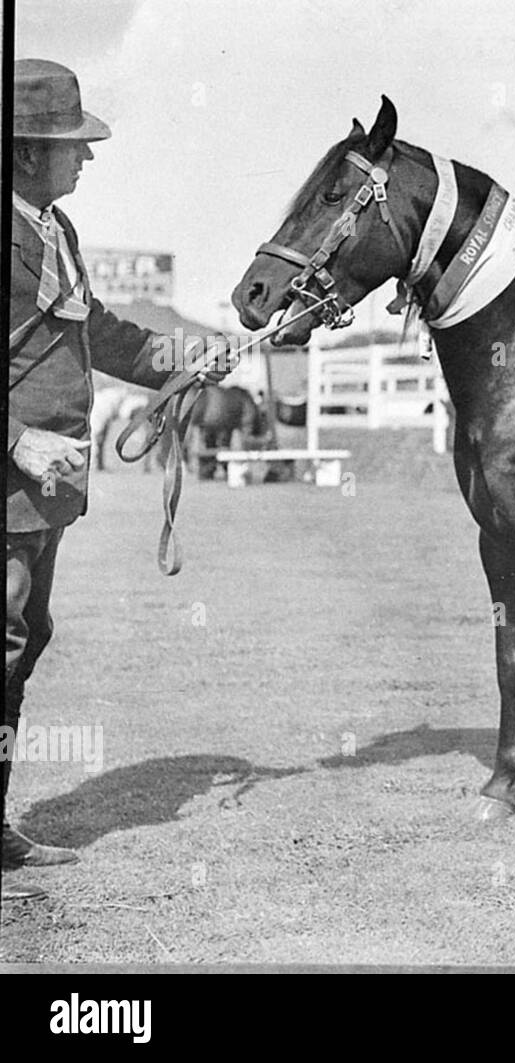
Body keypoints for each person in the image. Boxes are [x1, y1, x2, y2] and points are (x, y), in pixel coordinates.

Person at [5, 59, 235, 902]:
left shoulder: (52, 231)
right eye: (74, 145)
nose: (87, 159)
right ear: (29, 153)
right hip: (14, 477)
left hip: (41, 494)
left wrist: (186, 356)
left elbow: (97, 333)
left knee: (19, 644)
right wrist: (21, 439)